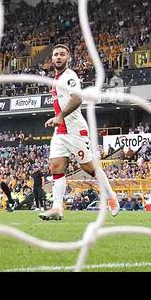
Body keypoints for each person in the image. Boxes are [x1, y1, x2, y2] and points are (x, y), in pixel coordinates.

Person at [38, 45, 119, 221]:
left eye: (62, 54)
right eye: (56, 54)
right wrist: (56, 118)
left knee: (88, 167)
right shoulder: (56, 79)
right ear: (52, 59)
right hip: (61, 130)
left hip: (75, 130)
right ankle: (57, 208)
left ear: (68, 58)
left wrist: (60, 116)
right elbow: (63, 103)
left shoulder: (69, 76)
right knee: (56, 167)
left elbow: (77, 98)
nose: (58, 57)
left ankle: (111, 195)